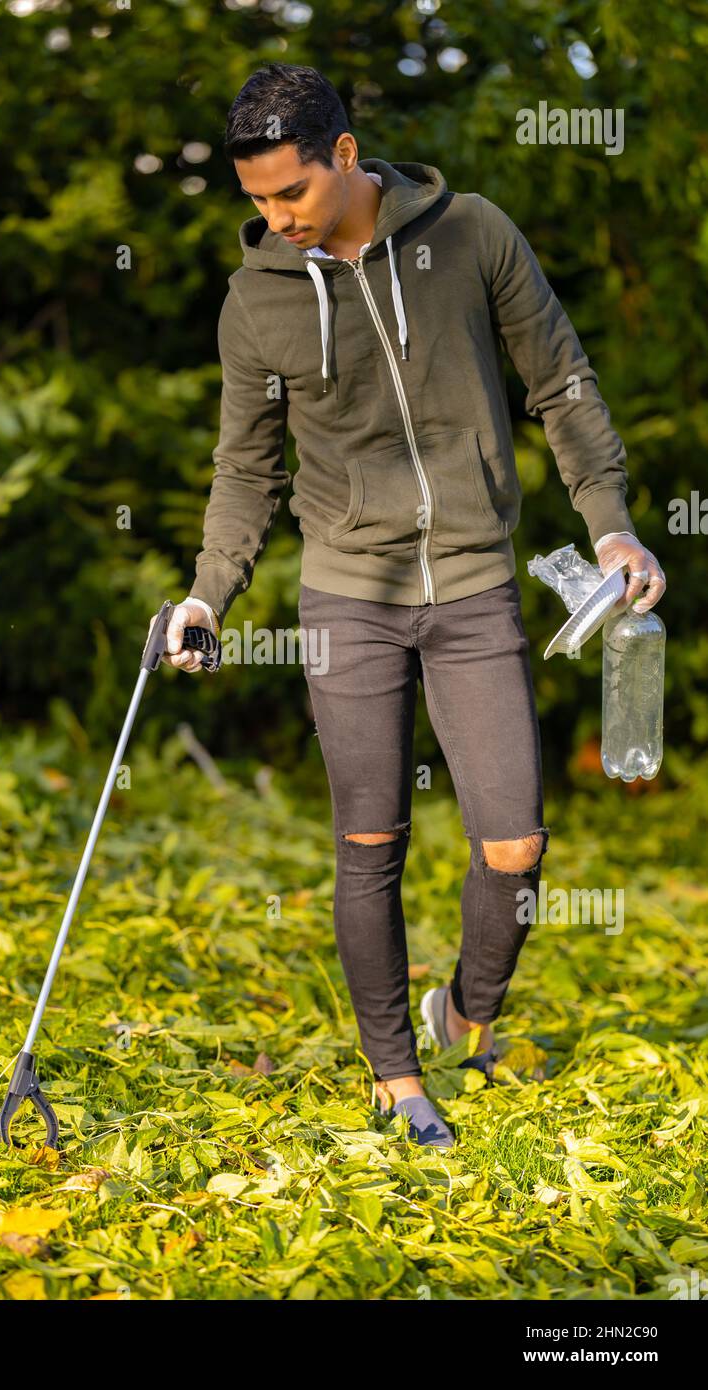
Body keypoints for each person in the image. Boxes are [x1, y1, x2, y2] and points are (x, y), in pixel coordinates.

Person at [152, 63, 666, 1147]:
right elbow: (246, 471)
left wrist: (607, 521)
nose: (274, 219)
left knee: (514, 843)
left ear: (345, 155)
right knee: (368, 839)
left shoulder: (469, 235)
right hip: (349, 595)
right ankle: (393, 1073)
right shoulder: (257, 301)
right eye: (253, 202)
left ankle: (465, 1015)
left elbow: (559, 383)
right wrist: (205, 594)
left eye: (288, 194)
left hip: (474, 582)